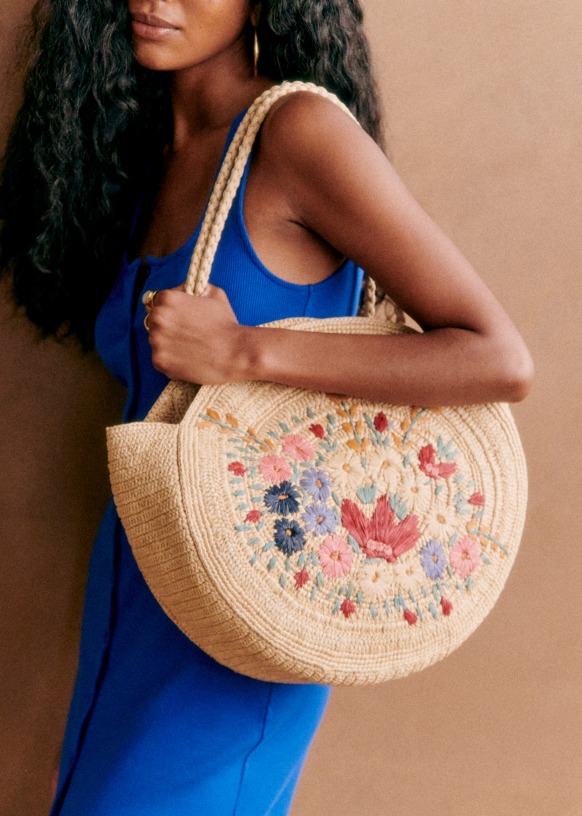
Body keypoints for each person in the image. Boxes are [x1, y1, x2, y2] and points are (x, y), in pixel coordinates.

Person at [0, 0, 533, 814]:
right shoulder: (143, 152)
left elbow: (498, 357)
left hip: (246, 615)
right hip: (137, 597)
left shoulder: (298, 134)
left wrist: (244, 351)